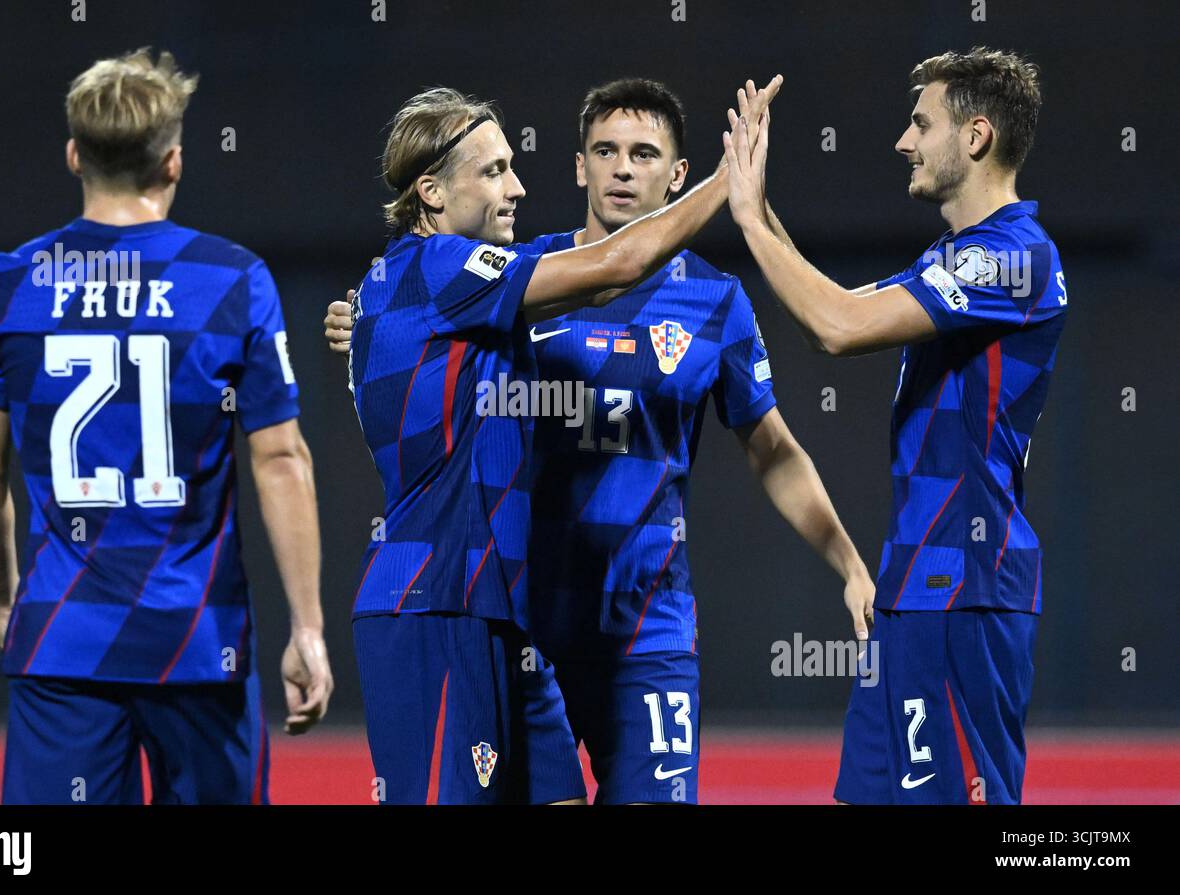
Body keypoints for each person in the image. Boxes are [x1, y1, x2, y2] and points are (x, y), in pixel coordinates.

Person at [328, 78, 873, 804]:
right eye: (605, 150)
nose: (621, 167)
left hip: (645, 625)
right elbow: (591, 271)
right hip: (518, 618)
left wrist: (849, 562)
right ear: (580, 165)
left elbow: (772, 448)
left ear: (675, 175)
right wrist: (733, 185)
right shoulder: (520, 279)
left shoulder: (712, 300)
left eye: (643, 153)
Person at [0, 48, 332, 805]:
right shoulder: (231, 279)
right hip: (197, 640)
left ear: (73, 155)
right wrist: (308, 628)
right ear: (173, 162)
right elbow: (281, 460)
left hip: (63, 638)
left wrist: (6, 599)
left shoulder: (10, 284)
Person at [721, 48, 1064, 804]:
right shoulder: (955, 258)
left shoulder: (1014, 260)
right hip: (915, 585)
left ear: (975, 137)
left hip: (965, 587)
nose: (903, 142)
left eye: (920, 122)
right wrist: (757, 195)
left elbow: (839, 326)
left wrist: (747, 216)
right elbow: (832, 310)